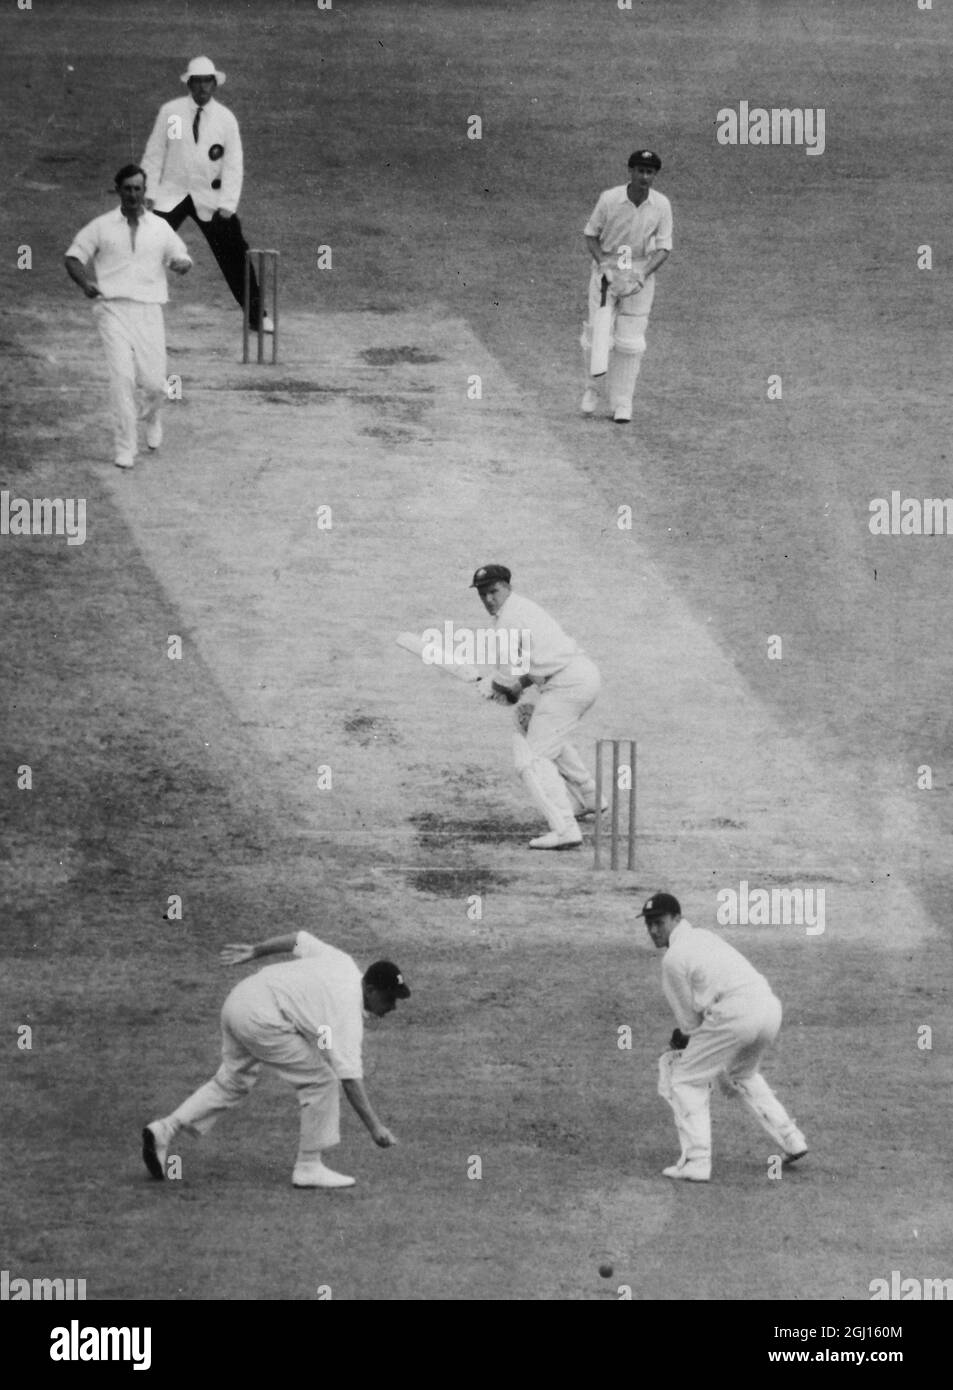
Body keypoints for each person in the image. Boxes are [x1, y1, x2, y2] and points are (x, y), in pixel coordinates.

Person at [142, 931, 410, 1189]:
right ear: (371, 990)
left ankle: (165, 1130)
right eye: (389, 999)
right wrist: (376, 1128)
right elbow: (349, 1079)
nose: (392, 1007)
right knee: (322, 1081)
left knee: (231, 1083)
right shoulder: (348, 1013)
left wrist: (256, 950)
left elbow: (297, 939)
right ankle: (308, 1167)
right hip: (262, 1017)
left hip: (238, 1000)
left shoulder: (343, 962)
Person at [639, 891, 808, 1182]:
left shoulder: (672, 959)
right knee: (741, 1074)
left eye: (660, 922)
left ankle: (696, 1161)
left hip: (735, 1015)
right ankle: (792, 1138)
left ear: (677, 918)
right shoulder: (704, 936)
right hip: (768, 1009)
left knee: (685, 1078)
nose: (654, 930)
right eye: (649, 924)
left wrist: (681, 1042)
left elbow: (690, 1024)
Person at [64, 163, 191, 469]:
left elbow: (182, 256)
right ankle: (125, 446)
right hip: (112, 309)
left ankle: (153, 415)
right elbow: (73, 256)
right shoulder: (102, 226)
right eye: (128, 188)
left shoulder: (160, 227)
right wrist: (85, 283)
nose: (133, 194)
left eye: (138, 188)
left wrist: (180, 264)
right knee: (122, 378)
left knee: (155, 384)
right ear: (118, 190)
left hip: (149, 310)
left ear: (145, 192)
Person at [471, 564, 602, 851]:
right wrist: (510, 687)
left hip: (568, 686)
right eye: (483, 594)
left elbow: (506, 682)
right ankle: (588, 796)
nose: (489, 600)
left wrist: (493, 688)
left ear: (507, 588)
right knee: (540, 731)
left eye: (494, 592)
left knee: (532, 758)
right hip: (578, 677)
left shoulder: (507, 622)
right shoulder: (522, 609)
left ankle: (565, 829)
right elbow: (531, 669)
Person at [140, 56, 272, 333]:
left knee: (235, 252)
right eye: (197, 81)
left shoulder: (225, 119)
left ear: (215, 84)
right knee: (145, 243)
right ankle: (132, 307)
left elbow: (234, 163)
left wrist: (227, 204)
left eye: (207, 81)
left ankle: (257, 315)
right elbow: (155, 152)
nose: (202, 87)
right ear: (189, 83)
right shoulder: (171, 112)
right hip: (171, 193)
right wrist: (149, 192)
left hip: (209, 198)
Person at [581, 149, 673, 423]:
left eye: (650, 172)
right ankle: (592, 390)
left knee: (630, 343)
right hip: (607, 273)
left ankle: (623, 403)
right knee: (597, 336)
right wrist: (605, 265)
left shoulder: (662, 205)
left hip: (638, 275)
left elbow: (664, 247)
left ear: (655, 175)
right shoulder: (610, 199)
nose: (645, 177)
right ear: (630, 172)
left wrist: (642, 274)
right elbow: (590, 235)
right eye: (640, 171)